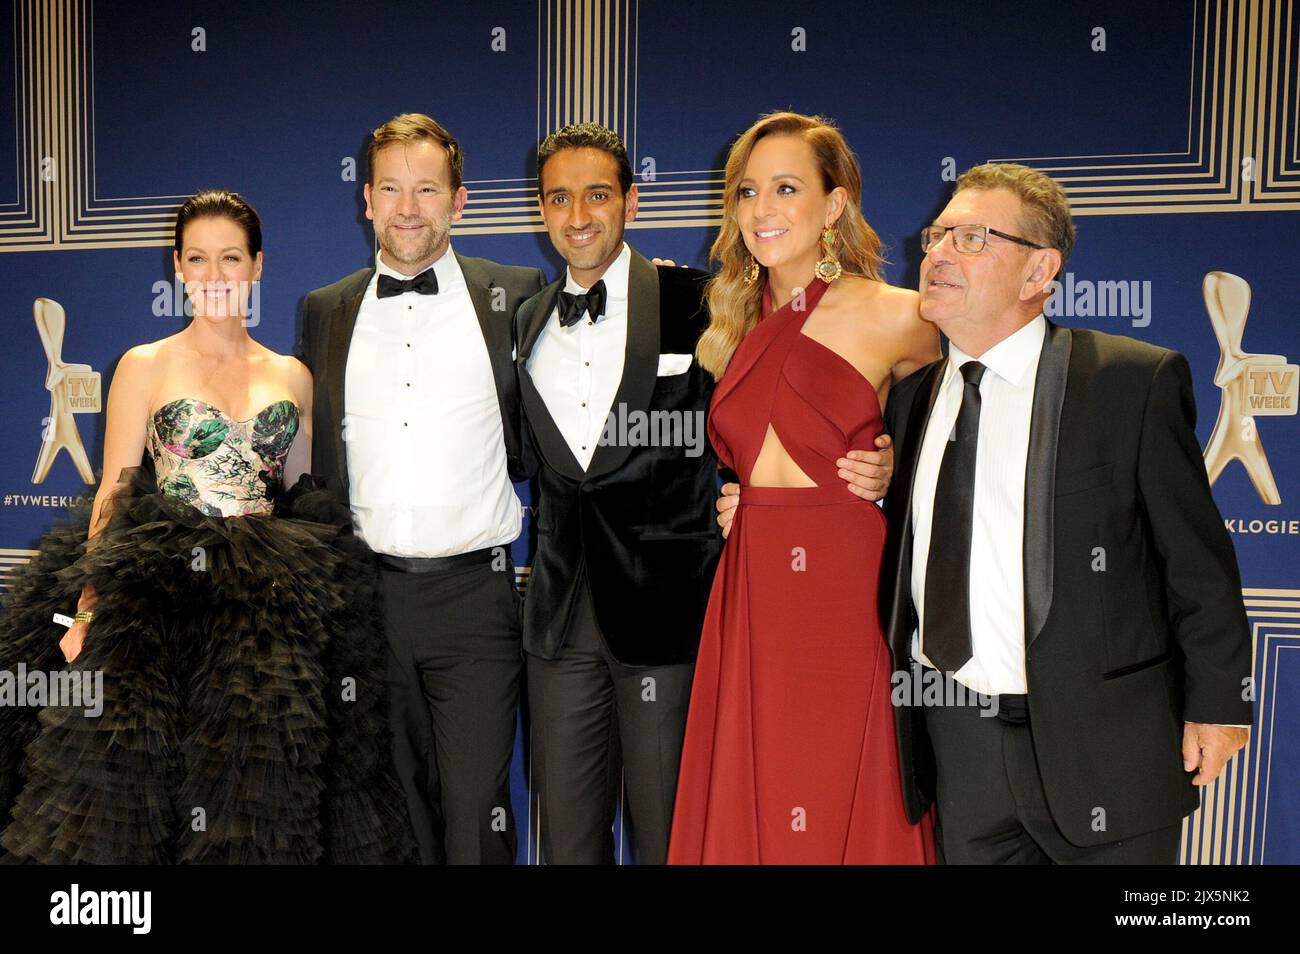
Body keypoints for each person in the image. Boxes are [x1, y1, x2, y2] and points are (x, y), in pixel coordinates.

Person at [720, 162, 1254, 864]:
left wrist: (1218, 701)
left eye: (971, 238)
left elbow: (1196, 560)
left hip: (1106, 748)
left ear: (1039, 271)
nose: (936, 252)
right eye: (938, 233)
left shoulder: (1129, 381)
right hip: (960, 752)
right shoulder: (910, 404)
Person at [0, 190, 413, 864]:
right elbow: (115, 488)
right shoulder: (144, 365)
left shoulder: (293, 376)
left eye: (230, 258)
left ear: (256, 267)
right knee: (129, 786)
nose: (214, 276)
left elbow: (303, 502)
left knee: (253, 788)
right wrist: (85, 608)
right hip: (156, 599)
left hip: (262, 611)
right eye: (198, 259)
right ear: (178, 269)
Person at [668, 112, 940, 864]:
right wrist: (742, 497)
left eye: (786, 188)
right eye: (748, 191)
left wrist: (895, 470)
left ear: (834, 205)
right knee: (758, 761)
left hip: (845, 583)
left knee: (839, 763)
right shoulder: (727, 322)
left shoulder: (901, 314)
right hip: (752, 578)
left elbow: (965, 431)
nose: (762, 210)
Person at [298, 114, 545, 865]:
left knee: (476, 809)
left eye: (428, 189)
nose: (410, 208)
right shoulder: (324, 310)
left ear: (459, 201)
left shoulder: (518, 294)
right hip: (368, 600)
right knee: (391, 809)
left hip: (477, 598)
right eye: (393, 189)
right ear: (366, 199)